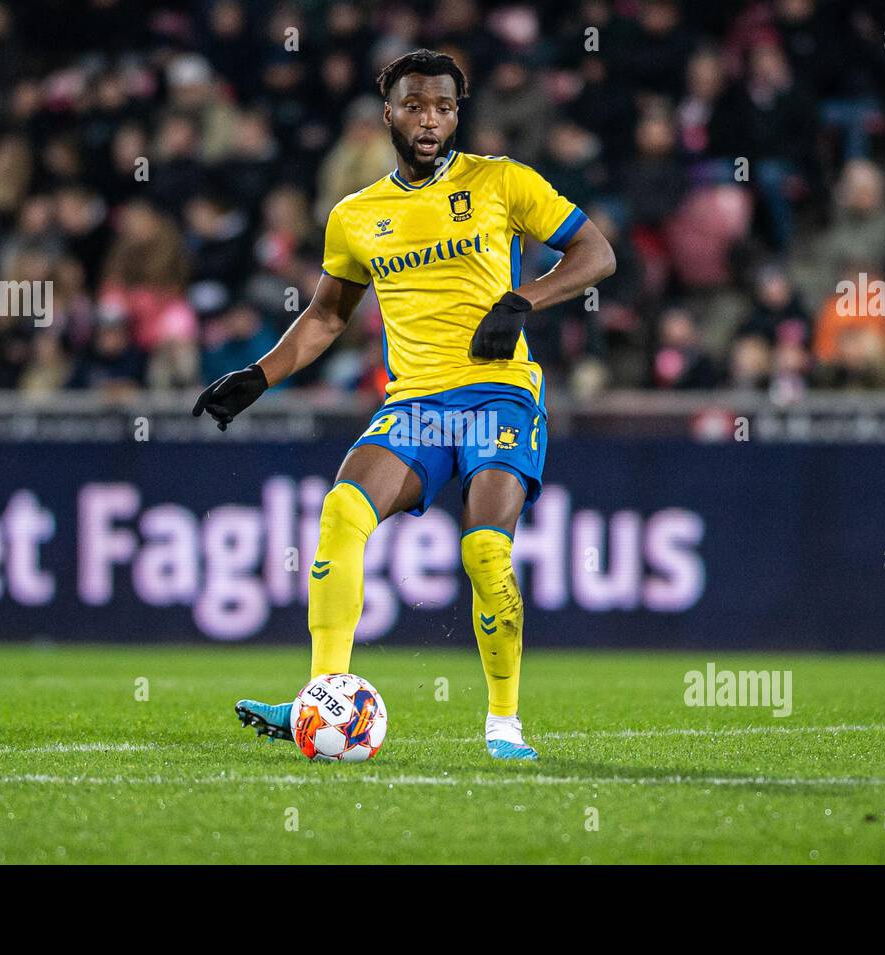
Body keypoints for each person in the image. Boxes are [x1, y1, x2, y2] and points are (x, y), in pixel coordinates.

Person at [193, 49, 614, 760]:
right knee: (341, 511)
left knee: (484, 549)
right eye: (416, 105)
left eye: (445, 107)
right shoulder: (356, 216)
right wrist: (260, 376)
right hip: (415, 402)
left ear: (458, 113)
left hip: (501, 396)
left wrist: (521, 298)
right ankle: (323, 694)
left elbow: (596, 255)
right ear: (387, 112)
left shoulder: (501, 180)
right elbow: (327, 316)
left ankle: (504, 722)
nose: (431, 119)